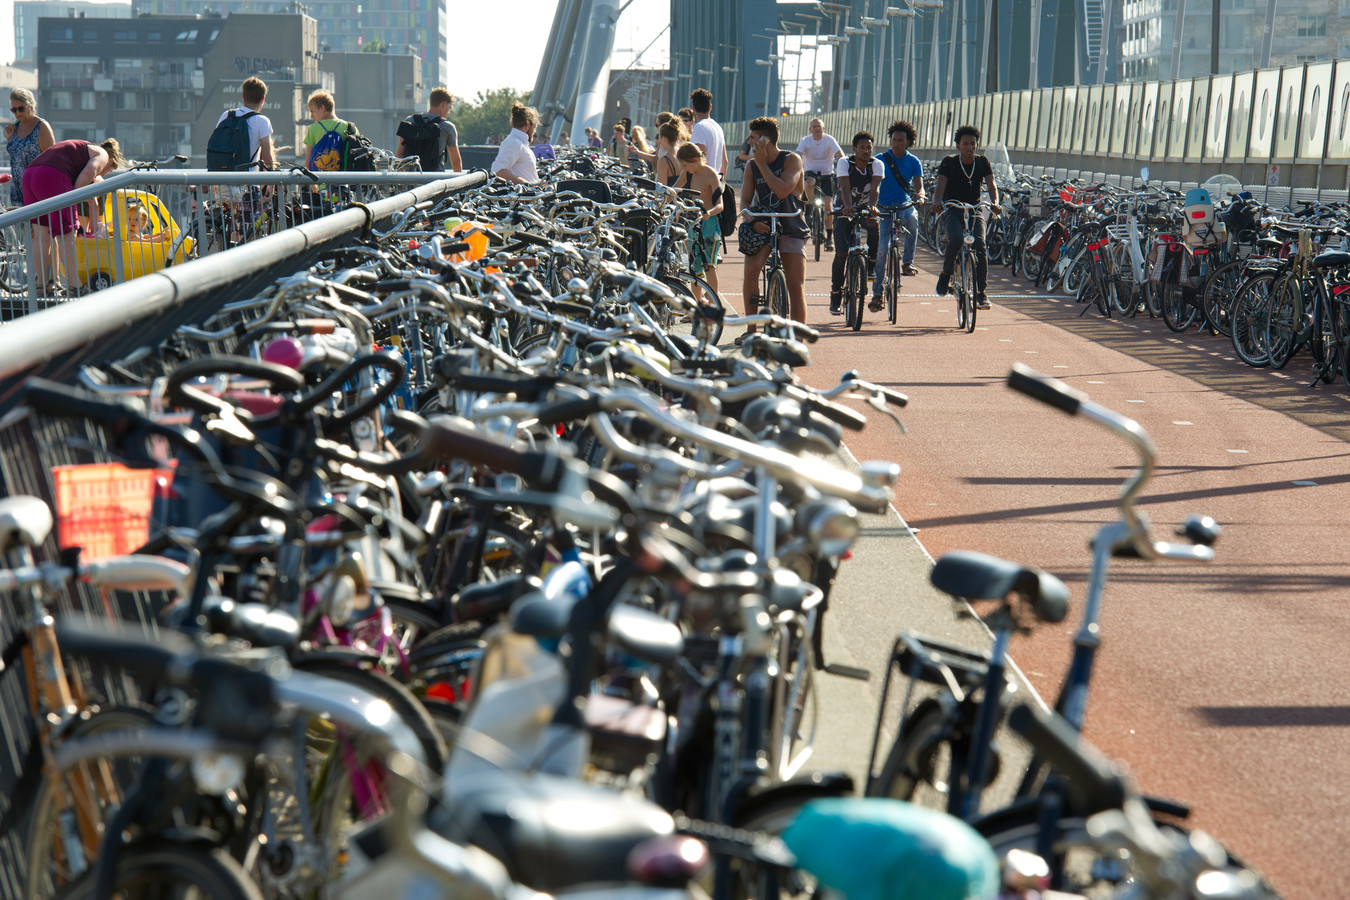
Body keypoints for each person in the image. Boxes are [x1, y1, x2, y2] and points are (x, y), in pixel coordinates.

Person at [22, 138, 123, 294]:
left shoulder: (81, 149)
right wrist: (71, 198)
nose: (103, 173)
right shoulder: (102, 154)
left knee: (41, 235)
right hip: (52, 175)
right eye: (107, 171)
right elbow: (90, 172)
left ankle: (41, 285)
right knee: (67, 234)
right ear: (110, 163)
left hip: (30, 175)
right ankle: (75, 286)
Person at [739, 116, 807, 336]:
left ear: (765, 140)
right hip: (764, 225)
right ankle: (751, 329)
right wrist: (752, 220)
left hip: (791, 224)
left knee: (795, 286)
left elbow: (782, 190)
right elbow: (745, 202)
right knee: (750, 271)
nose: (749, 142)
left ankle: (797, 341)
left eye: (753, 138)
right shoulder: (751, 166)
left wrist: (761, 164)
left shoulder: (792, 160)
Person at [932, 124, 1000, 310]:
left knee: (980, 244)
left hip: (975, 209)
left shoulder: (983, 162)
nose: (969, 147)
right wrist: (937, 202)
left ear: (977, 145)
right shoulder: (949, 162)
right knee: (955, 240)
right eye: (965, 144)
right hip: (953, 208)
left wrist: (995, 202)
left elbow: (991, 184)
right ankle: (946, 274)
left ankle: (981, 292)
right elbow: (940, 186)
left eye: (972, 143)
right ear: (958, 146)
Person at [873, 120, 926, 307]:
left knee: (912, 220)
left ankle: (907, 262)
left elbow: (919, 187)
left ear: (908, 142)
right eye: (894, 140)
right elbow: (874, 184)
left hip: (904, 204)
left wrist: (921, 195)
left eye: (901, 140)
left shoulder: (913, 161)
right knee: (881, 250)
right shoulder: (879, 159)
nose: (896, 143)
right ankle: (877, 294)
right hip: (882, 207)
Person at [829, 132, 882, 316]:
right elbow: (844, 186)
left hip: (865, 208)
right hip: (843, 209)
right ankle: (836, 294)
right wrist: (847, 206)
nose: (866, 151)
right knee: (842, 253)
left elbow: (875, 188)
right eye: (862, 147)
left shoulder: (876, 164)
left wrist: (873, 207)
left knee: (874, 224)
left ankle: (871, 265)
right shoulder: (845, 162)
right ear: (854, 149)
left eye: (869, 147)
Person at [676, 141, 723, 301]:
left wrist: (709, 213)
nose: (684, 169)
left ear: (695, 160)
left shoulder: (710, 174)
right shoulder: (687, 173)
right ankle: (698, 303)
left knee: (710, 265)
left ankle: (712, 303)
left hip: (710, 224)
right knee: (694, 265)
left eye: (685, 165)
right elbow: (674, 190)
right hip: (693, 223)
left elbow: (720, 205)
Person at [796, 118, 844, 251]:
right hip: (810, 173)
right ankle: (809, 212)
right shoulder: (806, 141)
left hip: (827, 175)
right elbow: (797, 154)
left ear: (823, 128)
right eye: (814, 127)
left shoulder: (829, 140)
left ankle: (829, 238)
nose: (817, 129)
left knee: (828, 205)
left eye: (819, 126)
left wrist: (845, 166)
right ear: (810, 129)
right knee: (809, 184)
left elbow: (840, 155)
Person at [5, 88, 55, 208]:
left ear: (31, 105)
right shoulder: (15, 128)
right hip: (17, 188)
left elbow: (52, 159)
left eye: (21, 108)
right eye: (14, 110)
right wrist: (9, 139)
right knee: (20, 225)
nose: (17, 113)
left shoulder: (41, 127)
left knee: (37, 224)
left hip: (36, 187)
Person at [214, 76, 275, 172]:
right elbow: (267, 159)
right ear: (263, 99)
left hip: (223, 180)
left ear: (243, 97)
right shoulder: (263, 121)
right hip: (248, 181)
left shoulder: (226, 116)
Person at [395, 87, 462, 172]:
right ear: (443, 104)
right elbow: (456, 162)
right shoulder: (447, 127)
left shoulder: (410, 120)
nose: (448, 113)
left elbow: (400, 155)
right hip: (435, 180)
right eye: (449, 108)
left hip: (411, 178)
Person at [303, 89, 362, 170]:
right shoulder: (350, 127)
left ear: (322, 108)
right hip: (345, 180)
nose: (311, 116)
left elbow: (308, 163)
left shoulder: (313, 128)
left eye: (312, 111)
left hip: (321, 180)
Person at [490, 102, 541, 184]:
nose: (535, 132)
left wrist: (540, 183)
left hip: (530, 194)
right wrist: (527, 185)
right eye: (534, 127)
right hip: (522, 195)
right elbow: (498, 170)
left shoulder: (519, 143)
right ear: (527, 125)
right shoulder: (514, 143)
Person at [688, 89, 726, 179]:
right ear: (710, 107)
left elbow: (699, 161)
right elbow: (725, 162)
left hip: (703, 185)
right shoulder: (718, 128)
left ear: (693, 108)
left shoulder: (699, 128)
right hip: (716, 182)